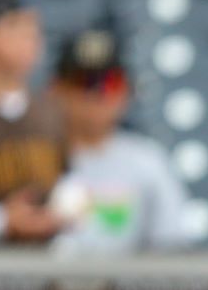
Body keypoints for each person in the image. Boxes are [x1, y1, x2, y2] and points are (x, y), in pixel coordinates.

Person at [45, 30, 195, 254]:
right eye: (84, 83)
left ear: (127, 90)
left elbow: (171, 248)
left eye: (110, 82)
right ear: (57, 89)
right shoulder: (30, 154)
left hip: (128, 287)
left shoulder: (148, 162)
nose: (98, 94)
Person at [0, 0, 67, 244]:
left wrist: (58, 213)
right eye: (13, 26)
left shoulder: (52, 110)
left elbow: (69, 178)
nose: (29, 37)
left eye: (33, 28)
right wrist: (0, 220)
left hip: (47, 256)